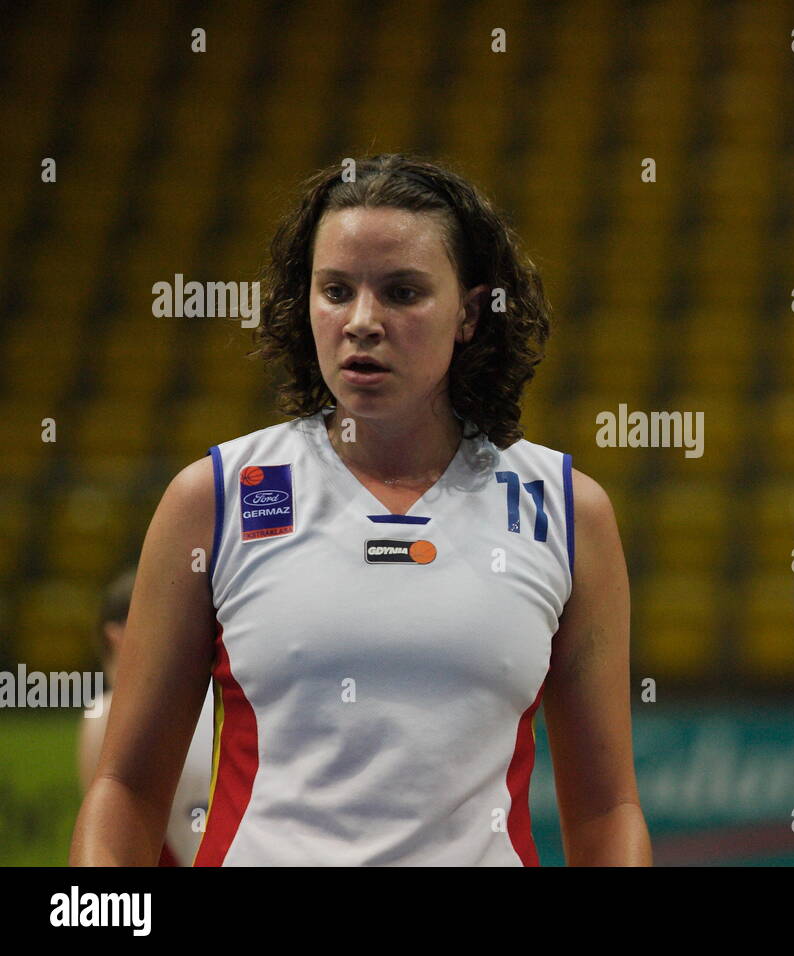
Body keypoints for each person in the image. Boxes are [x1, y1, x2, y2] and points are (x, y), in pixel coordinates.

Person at [71, 154, 651, 865]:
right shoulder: (214, 500)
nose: (362, 322)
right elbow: (126, 790)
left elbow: (606, 811)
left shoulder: (565, 511)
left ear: (469, 313)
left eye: (403, 293)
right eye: (336, 291)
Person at [77, 567, 213, 866]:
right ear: (115, 635)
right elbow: (108, 830)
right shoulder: (104, 713)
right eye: (154, 621)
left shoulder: (208, 698)